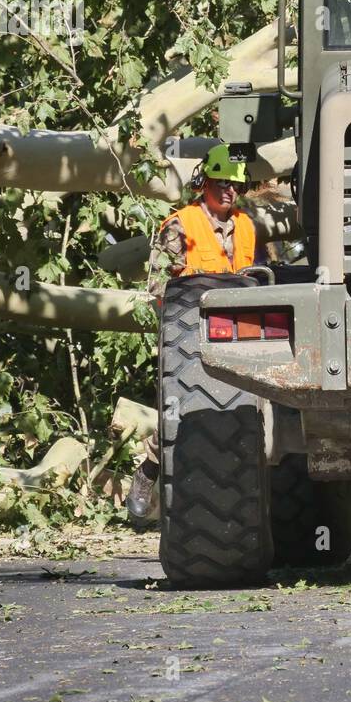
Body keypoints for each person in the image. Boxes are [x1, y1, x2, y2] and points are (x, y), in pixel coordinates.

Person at [124, 143, 257, 528]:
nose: (228, 192)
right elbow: (157, 287)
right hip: (192, 329)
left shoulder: (246, 226)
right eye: (221, 184)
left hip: (245, 329)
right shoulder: (181, 225)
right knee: (181, 410)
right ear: (204, 183)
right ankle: (149, 472)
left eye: (235, 185)